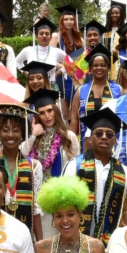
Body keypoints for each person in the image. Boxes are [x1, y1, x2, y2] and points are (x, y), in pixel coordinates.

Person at [66, 108, 127, 253]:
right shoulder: (74, 166)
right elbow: (66, 208)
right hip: (77, 245)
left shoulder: (125, 173)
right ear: (90, 137)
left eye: (109, 134)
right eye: (99, 133)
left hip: (110, 248)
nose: (104, 138)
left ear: (115, 140)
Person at [23, 89, 79, 241]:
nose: (47, 116)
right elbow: (20, 156)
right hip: (37, 195)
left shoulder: (69, 136)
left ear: (55, 110)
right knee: (42, 238)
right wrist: (33, 136)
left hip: (60, 196)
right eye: (42, 113)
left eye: (49, 111)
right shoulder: (33, 137)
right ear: (37, 115)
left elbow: (75, 166)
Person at [0, 104, 38, 236]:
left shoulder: (34, 166)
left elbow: (36, 210)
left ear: (23, 133)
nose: (10, 135)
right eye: (5, 130)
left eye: (16, 130)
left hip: (24, 235)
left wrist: (39, 243)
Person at [76, 45, 122, 128]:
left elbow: (124, 116)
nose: (99, 68)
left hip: (111, 136)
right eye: (95, 65)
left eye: (103, 65)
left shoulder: (118, 90)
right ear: (90, 69)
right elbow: (74, 119)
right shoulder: (81, 91)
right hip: (87, 137)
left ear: (108, 68)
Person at [16, 17, 65, 85]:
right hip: (33, 86)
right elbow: (17, 62)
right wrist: (26, 73)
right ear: (36, 36)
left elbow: (70, 64)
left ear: (51, 37)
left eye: (47, 34)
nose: (44, 36)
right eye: (41, 34)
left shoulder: (56, 52)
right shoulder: (28, 50)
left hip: (50, 86)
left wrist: (58, 73)